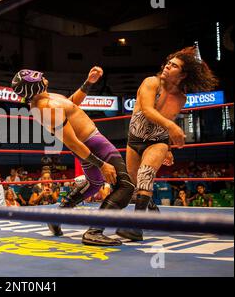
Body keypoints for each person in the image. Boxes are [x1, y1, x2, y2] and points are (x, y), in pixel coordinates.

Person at [11, 67, 135, 246]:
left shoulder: (46, 98)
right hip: (92, 144)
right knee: (126, 186)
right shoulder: (46, 108)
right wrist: (102, 165)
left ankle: (58, 215)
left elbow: (71, 105)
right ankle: (95, 230)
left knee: (95, 184)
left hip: (89, 144)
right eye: (40, 78)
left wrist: (88, 83)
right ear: (35, 87)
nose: (44, 77)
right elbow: (73, 143)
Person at [117, 47, 218, 241]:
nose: (168, 66)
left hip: (157, 141)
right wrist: (171, 127)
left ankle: (136, 228)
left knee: (146, 174)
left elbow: (165, 120)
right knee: (136, 184)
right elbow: (147, 109)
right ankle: (151, 209)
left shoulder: (181, 98)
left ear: (182, 75)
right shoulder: (151, 82)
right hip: (134, 140)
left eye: (174, 66)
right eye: (169, 63)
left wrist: (168, 148)